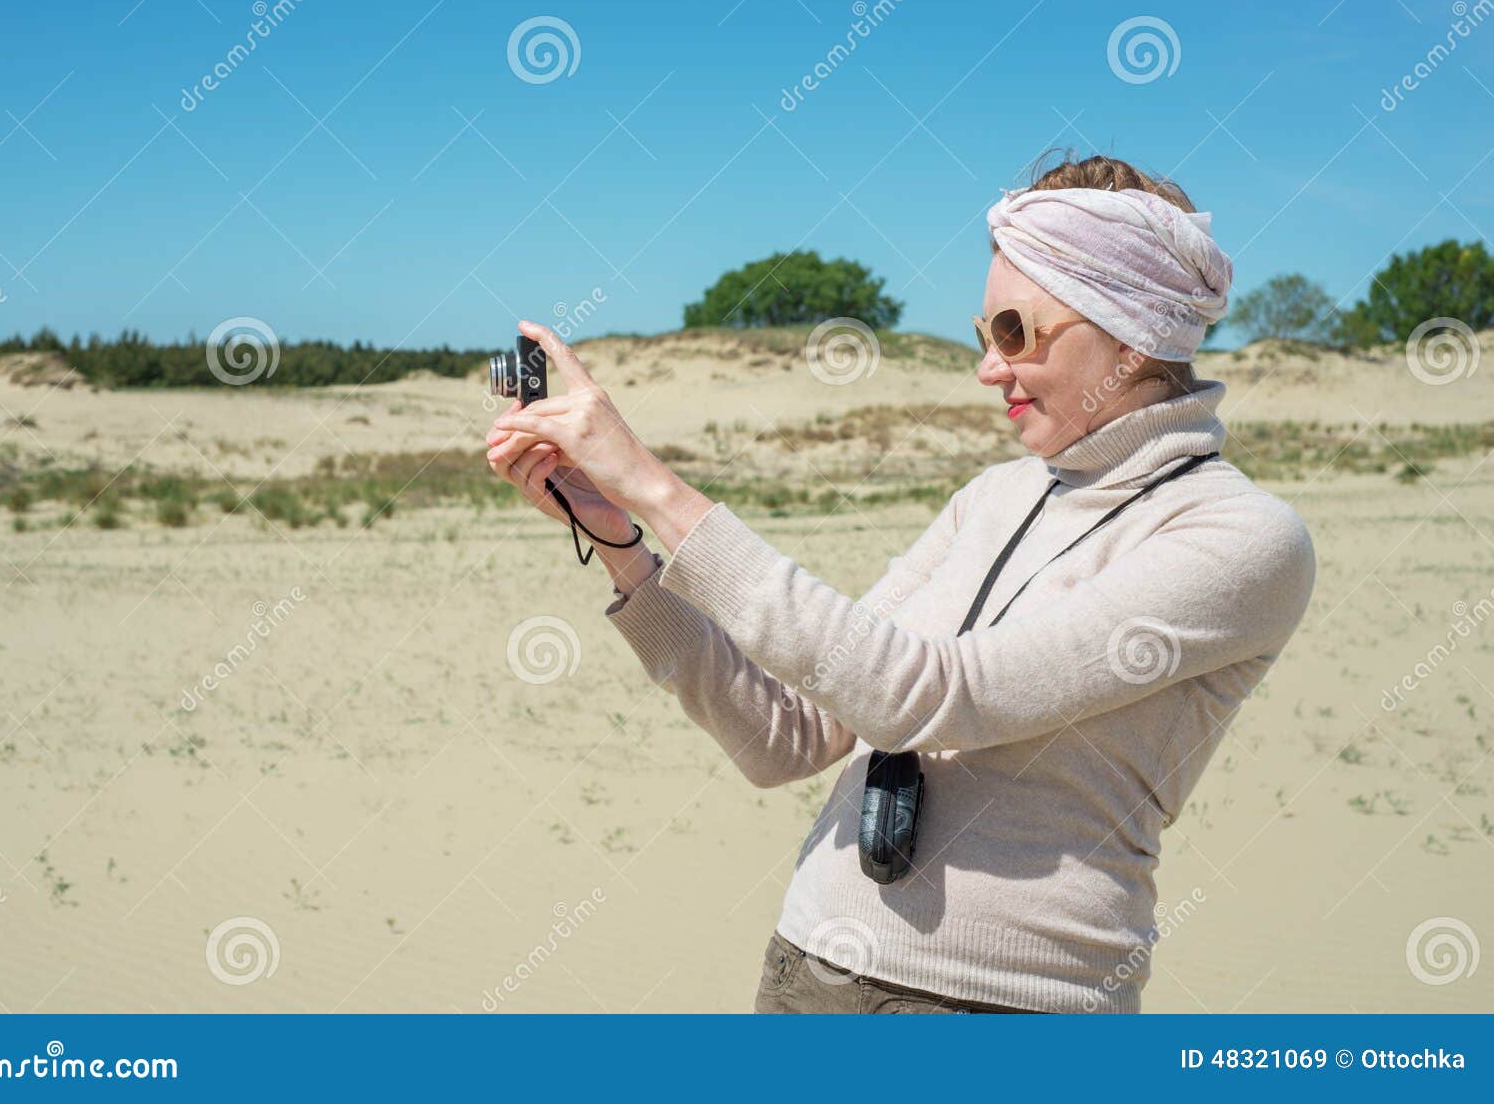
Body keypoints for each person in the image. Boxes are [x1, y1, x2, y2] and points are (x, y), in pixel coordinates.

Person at [484, 153, 1317, 1014]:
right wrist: (619, 536)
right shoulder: (991, 498)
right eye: (984, 333)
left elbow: (928, 696)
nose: (989, 368)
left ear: (1131, 331)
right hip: (808, 974)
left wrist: (656, 485)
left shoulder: (1241, 539)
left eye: (1014, 331)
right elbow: (785, 736)